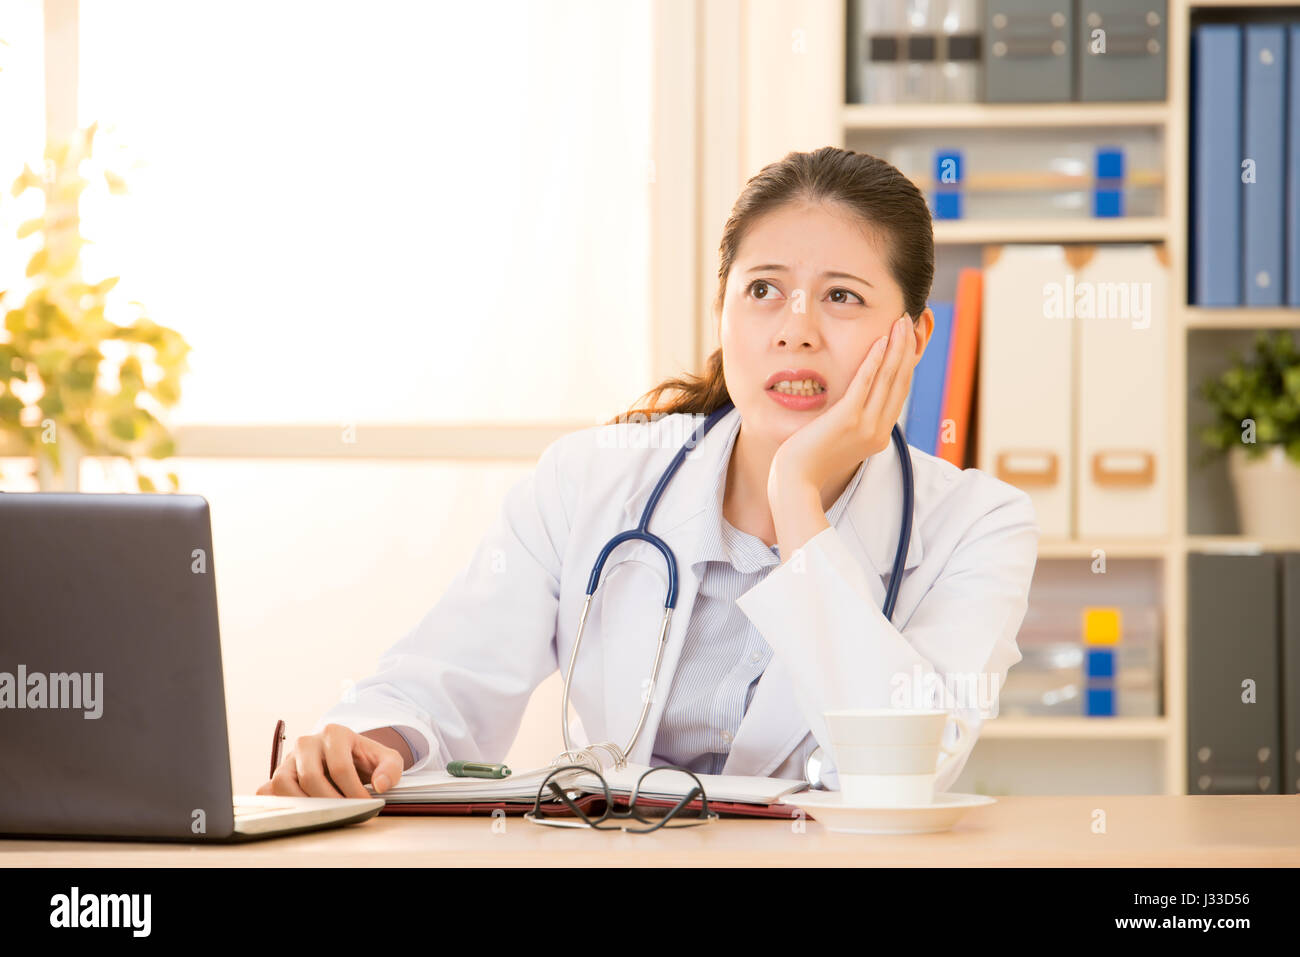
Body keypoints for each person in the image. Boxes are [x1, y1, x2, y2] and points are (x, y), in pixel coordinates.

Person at [257, 145, 1040, 800]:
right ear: (723, 311)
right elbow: (443, 683)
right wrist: (362, 744)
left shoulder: (979, 525)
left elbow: (902, 776)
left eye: (841, 296)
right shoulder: (591, 481)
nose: (795, 330)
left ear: (913, 336)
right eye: (764, 290)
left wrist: (798, 498)